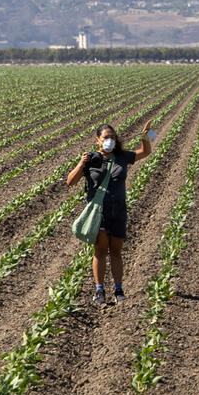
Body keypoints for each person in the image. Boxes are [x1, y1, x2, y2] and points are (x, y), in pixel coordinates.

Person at [67, 120, 154, 305]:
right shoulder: (91, 159)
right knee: (100, 251)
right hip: (99, 212)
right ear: (98, 140)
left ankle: (119, 289)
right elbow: (70, 181)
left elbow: (145, 152)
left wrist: (145, 135)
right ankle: (99, 290)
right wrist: (81, 164)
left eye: (113, 137)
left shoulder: (121, 156)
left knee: (116, 251)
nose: (110, 140)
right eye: (106, 137)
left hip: (118, 210)